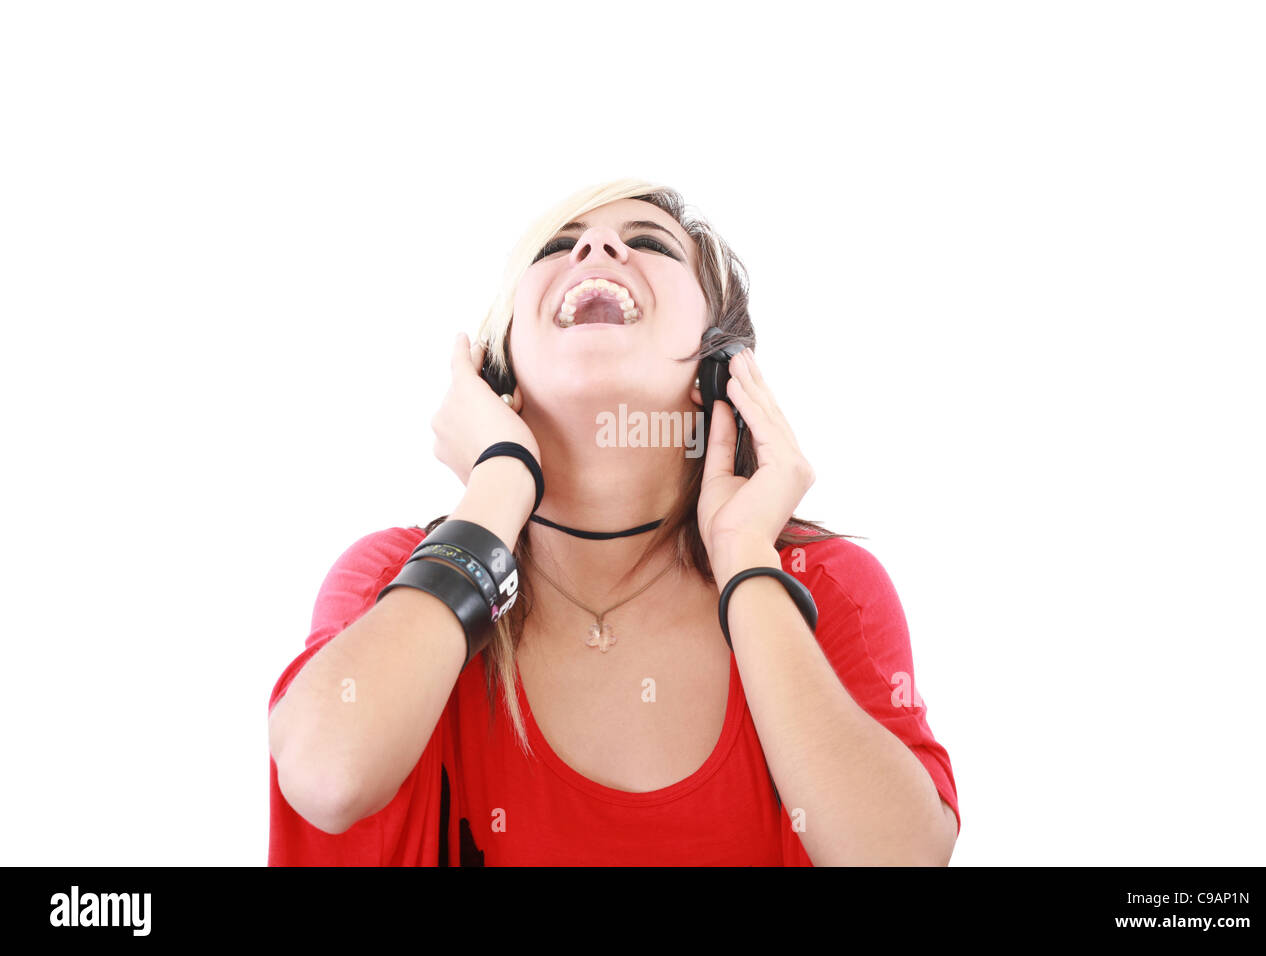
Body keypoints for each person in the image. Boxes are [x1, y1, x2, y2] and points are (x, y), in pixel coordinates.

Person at [266, 178, 960, 865]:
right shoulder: (394, 580)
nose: (596, 246)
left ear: (717, 369)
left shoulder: (820, 583)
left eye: (648, 243)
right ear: (500, 370)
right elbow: (328, 778)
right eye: (559, 245)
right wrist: (499, 483)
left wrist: (745, 559)